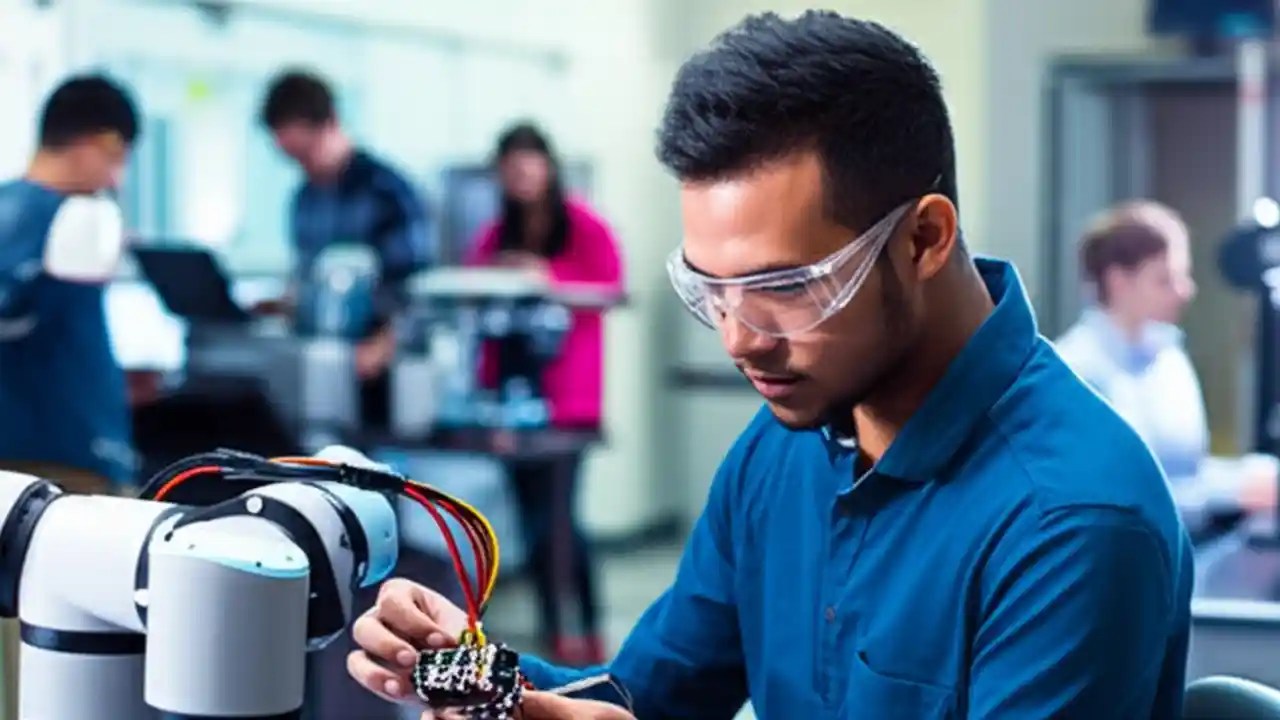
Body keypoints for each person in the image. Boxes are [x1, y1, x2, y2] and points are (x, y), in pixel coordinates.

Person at [347, 12, 1193, 719]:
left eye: (786, 286)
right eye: (710, 290)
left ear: (924, 240)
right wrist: (480, 676)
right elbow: (650, 696)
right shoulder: (784, 448)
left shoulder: (1071, 521)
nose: (739, 339)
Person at [0, 73, 140, 720]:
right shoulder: (80, 217)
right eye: (116, 160)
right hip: (67, 462)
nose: (114, 180)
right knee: (81, 662)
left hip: (15, 467)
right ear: (97, 142)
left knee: (14, 660)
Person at [465, 123, 624, 665]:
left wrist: (545, 274)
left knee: (560, 520)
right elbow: (474, 305)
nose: (522, 177)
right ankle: (555, 630)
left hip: (568, 402)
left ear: (549, 167)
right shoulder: (493, 234)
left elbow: (610, 287)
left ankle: (584, 628)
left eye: (530, 164)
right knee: (534, 523)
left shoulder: (584, 227)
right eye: (510, 168)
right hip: (510, 401)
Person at [259, 68, 433, 430]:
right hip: (321, 372)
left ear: (330, 124)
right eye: (293, 158)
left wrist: (382, 347)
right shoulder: (305, 198)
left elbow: (416, 290)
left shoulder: (387, 192)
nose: (302, 166)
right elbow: (309, 275)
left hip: (379, 375)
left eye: (306, 153)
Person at [1055, 201, 1207, 481]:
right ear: (1118, 281)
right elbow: (1110, 494)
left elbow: (1189, 470)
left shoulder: (1169, 357)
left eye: (1183, 276)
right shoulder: (1076, 371)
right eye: (1165, 280)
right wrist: (1224, 494)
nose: (1185, 291)